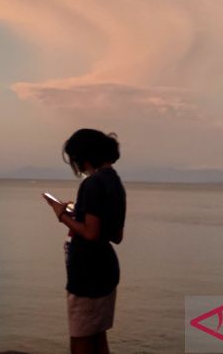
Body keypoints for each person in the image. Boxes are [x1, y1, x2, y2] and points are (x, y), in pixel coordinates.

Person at [44, 129, 126, 354]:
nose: (75, 165)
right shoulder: (115, 182)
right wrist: (77, 214)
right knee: (98, 337)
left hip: (88, 274)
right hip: (107, 271)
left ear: (83, 157)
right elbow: (115, 236)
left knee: (80, 340)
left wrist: (61, 214)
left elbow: (90, 233)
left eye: (74, 159)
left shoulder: (92, 184)